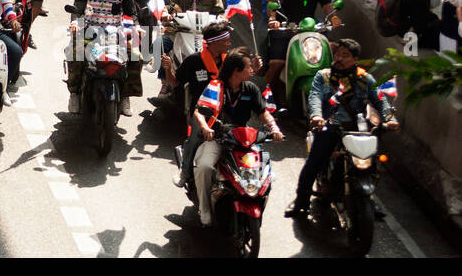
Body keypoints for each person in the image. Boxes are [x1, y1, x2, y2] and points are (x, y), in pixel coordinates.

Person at [285, 38, 397, 219]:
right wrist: (317, 116)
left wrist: (390, 119)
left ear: (355, 59)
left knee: (371, 164)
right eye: (337, 54)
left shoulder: (365, 78)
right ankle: (301, 202)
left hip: (357, 131)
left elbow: (380, 100)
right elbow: (314, 97)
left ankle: (369, 199)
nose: (339, 58)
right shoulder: (324, 76)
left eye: (345, 55)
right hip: (330, 127)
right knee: (313, 164)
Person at [190, 50, 281, 226]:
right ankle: (205, 209)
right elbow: (199, 112)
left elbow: (263, 113)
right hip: (218, 137)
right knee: (205, 167)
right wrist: (206, 127)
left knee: (267, 173)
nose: (252, 70)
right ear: (236, 71)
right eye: (248, 67)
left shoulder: (251, 89)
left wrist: (274, 128)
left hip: (242, 137)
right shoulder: (216, 87)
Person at [66, 0, 144, 115]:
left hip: (115, 34)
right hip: (89, 31)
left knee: (136, 56)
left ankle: (125, 95)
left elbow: (131, 12)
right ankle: (74, 92)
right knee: (74, 53)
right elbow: (77, 9)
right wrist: (75, 23)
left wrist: (136, 26)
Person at [169, 22, 233, 191]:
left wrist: (254, 68)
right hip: (202, 113)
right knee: (196, 137)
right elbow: (175, 82)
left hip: (227, 111)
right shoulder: (194, 60)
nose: (229, 43)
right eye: (226, 40)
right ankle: (185, 172)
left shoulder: (230, 61)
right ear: (214, 42)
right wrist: (168, 69)